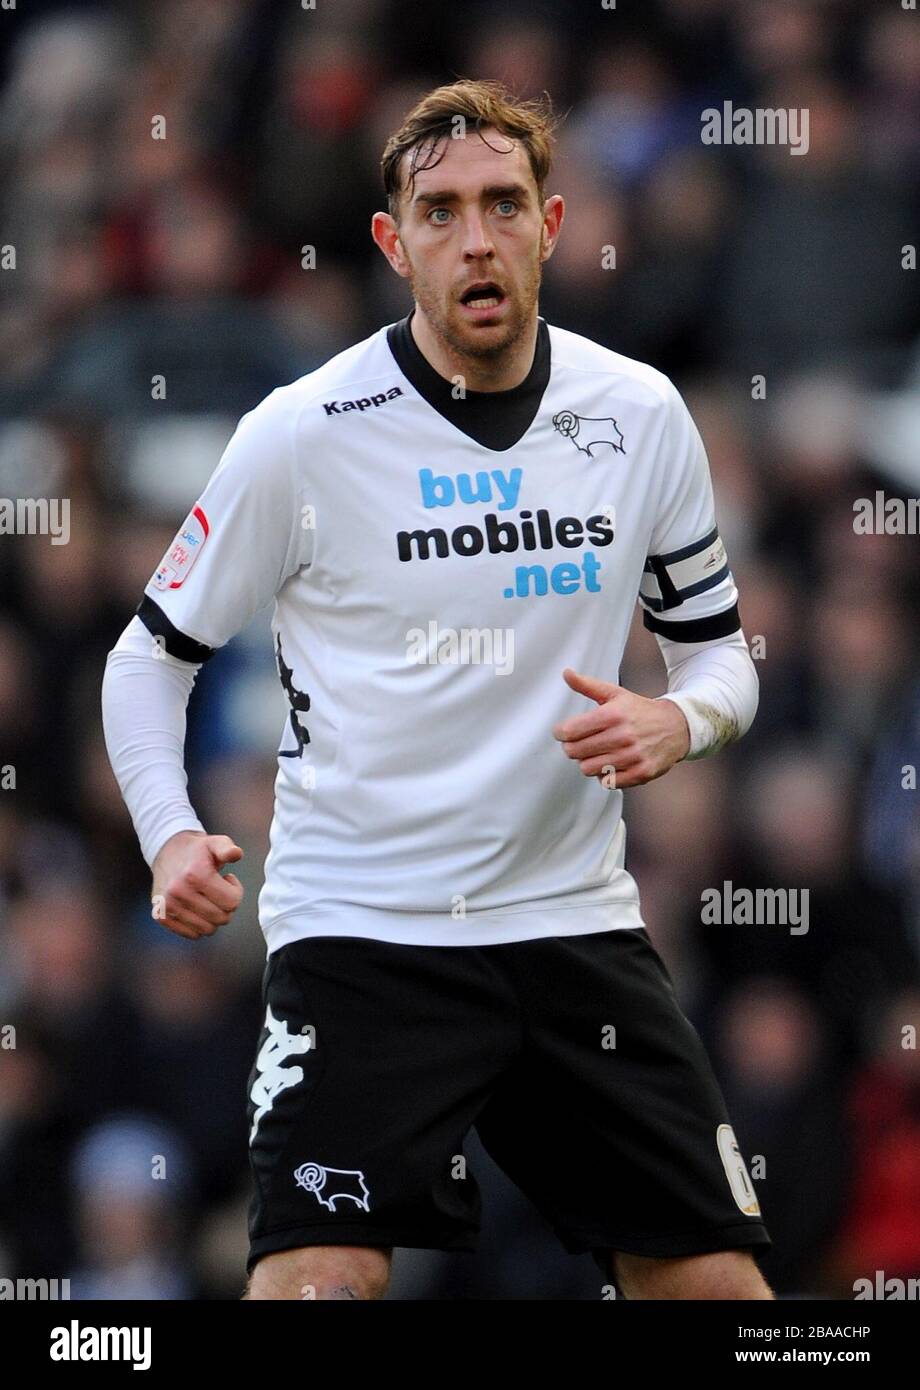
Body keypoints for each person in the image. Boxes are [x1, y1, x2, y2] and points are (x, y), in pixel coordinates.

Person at [102, 79, 773, 1301]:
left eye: (503, 205)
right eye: (442, 210)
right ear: (390, 241)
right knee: (318, 1280)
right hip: (365, 932)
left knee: (719, 1290)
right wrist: (165, 834)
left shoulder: (638, 414)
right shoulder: (301, 433)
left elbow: (720, 655)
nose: (476, 237)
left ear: (552, 223)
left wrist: (681, 718)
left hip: (570, 920)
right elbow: (147, 654)